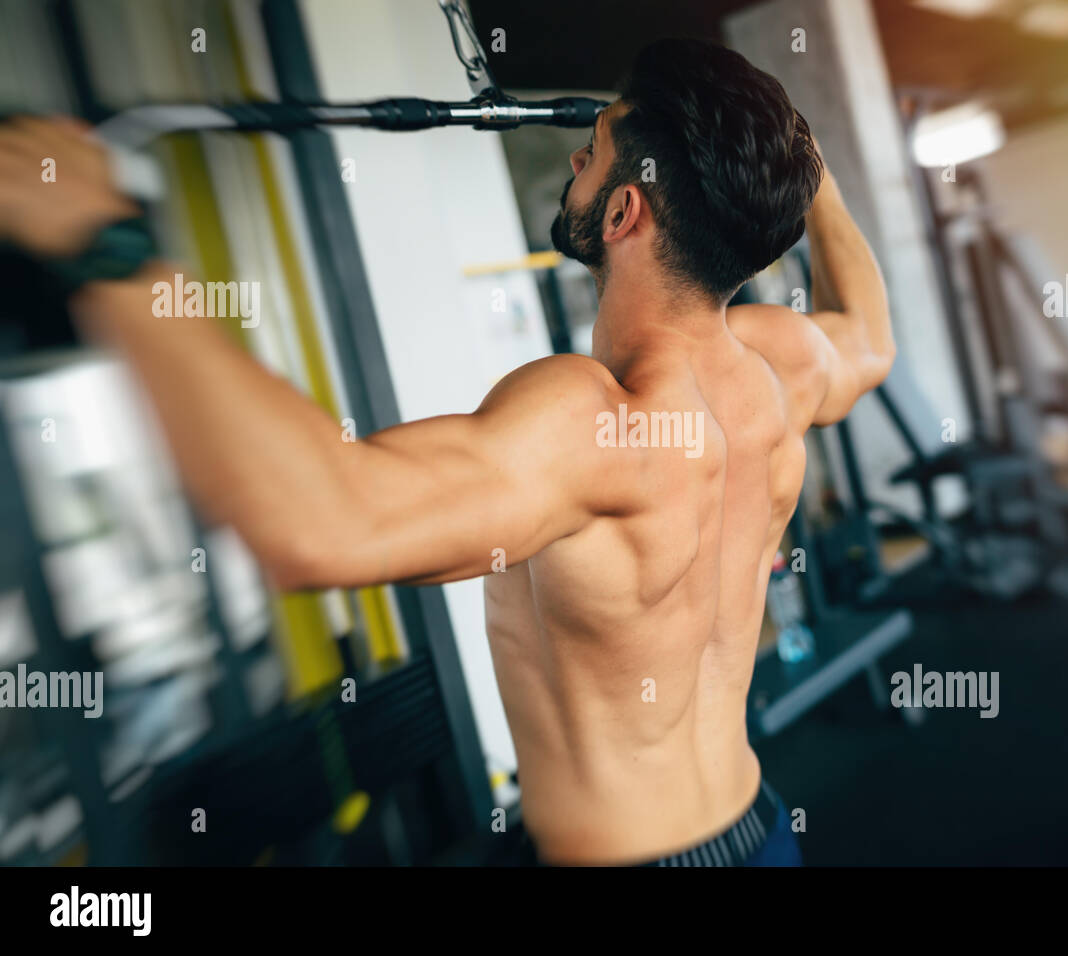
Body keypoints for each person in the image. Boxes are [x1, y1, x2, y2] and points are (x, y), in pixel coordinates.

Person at [0, 37, 893, 866]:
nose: (577, 156)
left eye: (595, 148)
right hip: (759, 833)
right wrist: (812, 176)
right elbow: (871, 340)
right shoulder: (783, 365)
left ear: (625, 211)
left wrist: (107, 250)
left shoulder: (593, 423)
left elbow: (325, 522)